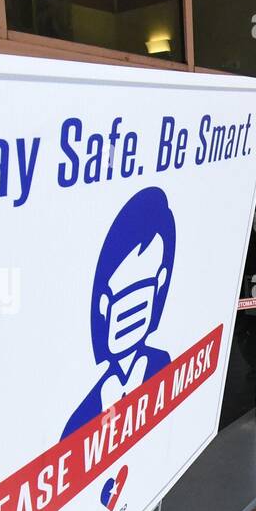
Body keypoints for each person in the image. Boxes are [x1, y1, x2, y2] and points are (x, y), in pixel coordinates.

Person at [62, 188, 176, 440]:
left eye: (142, 287)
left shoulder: (163, 366)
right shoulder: (81, 420)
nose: (131, 305)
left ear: (160, 285)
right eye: (119, 291)